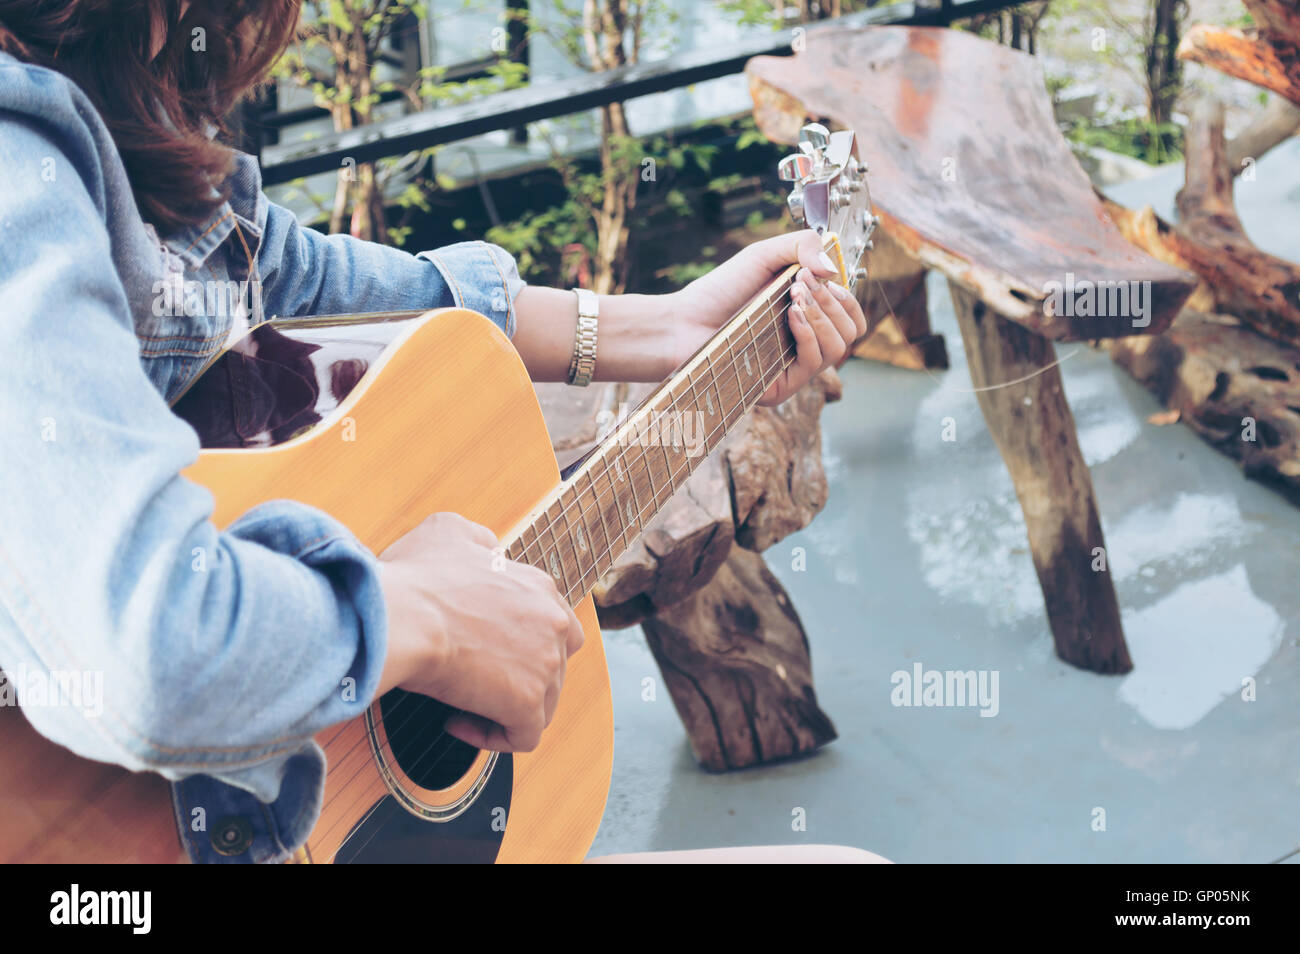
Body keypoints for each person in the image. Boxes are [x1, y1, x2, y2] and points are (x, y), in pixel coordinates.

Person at [0, 1, 883, 863]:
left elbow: (273, 271)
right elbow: (146, 652)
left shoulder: (112, 70)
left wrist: (669, 328)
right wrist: (428, 619)